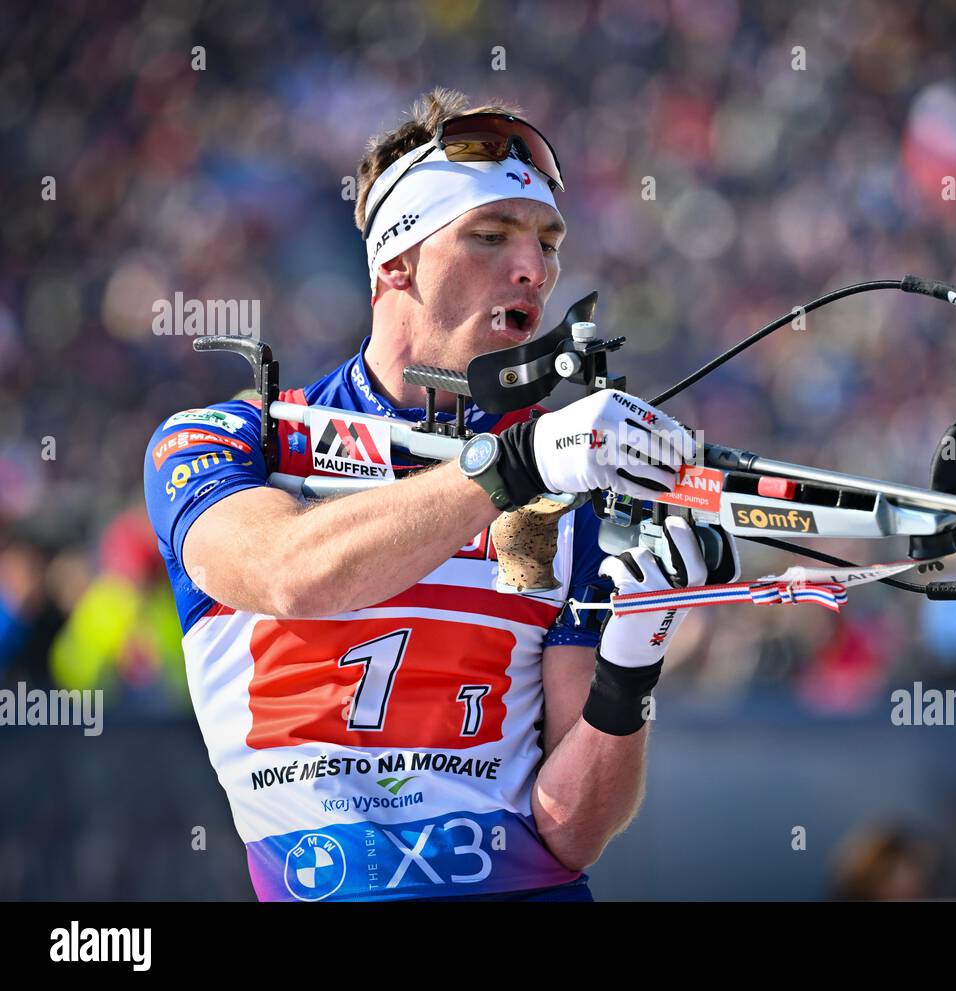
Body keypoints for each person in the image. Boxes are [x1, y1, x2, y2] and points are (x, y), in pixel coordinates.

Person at [142, 87, 736, 902]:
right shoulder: (229, 439)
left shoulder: (567, 488)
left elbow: (571, 829)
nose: (535, 267)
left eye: (548, 241)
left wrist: (633, 662)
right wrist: (510, 469)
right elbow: (288, 572)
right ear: (395, 262)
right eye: (489, 236)